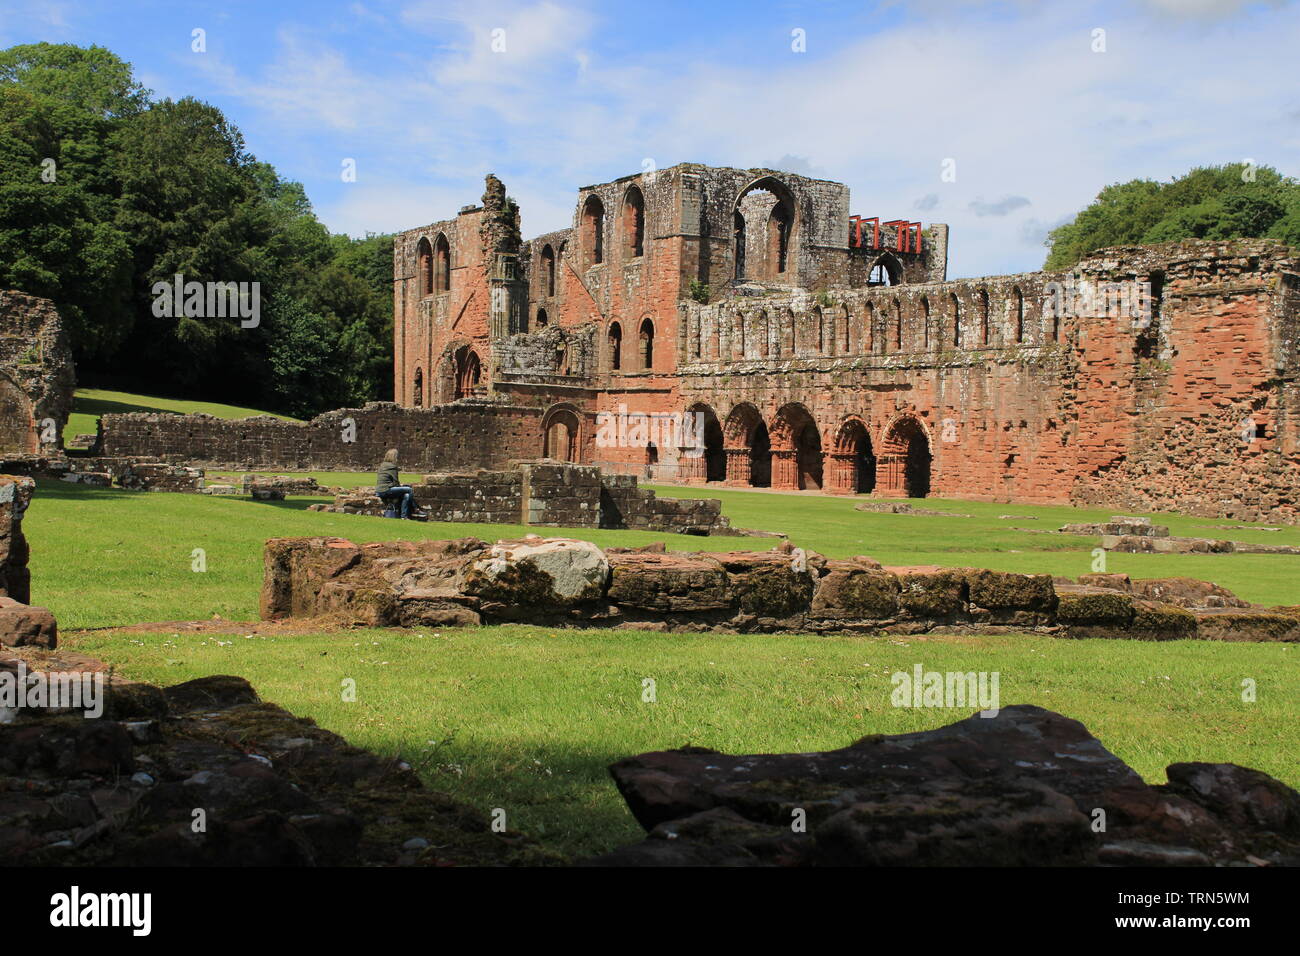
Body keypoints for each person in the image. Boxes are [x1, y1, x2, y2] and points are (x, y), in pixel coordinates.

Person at [375, 448, 423, 519]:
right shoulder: (392, 467)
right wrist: (402, 487)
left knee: (406, 495)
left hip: (379, 490)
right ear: (394, 457)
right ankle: (416, 509)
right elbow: (396, 483)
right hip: (386, 490)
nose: (397, 459)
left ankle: (404, 517)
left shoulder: (383, 465)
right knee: (409, 489)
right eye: (397, 457)